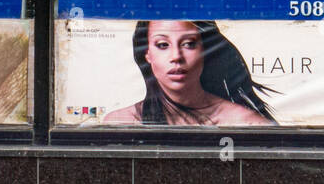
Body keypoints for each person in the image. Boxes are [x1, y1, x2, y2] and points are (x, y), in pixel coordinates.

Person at [104, 20, 275, 125]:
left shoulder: (246, 123)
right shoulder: (120, 121)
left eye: (188, 44)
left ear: (205, 50)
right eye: (163, 45)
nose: (176, 57)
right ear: (147, 53)